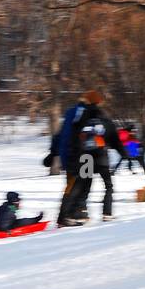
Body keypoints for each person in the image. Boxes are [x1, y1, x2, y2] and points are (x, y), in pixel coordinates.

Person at [57, 89, 128, 226]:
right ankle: (106, 213)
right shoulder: (105, 119)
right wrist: (123, 153)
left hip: (85, 158)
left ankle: (70, 215)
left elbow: (72, 137)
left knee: (80, 185)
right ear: (99, 103)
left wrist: (74, 154)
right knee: (107, 185)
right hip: (101, 158)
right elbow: (114, 139)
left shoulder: (80, 117)